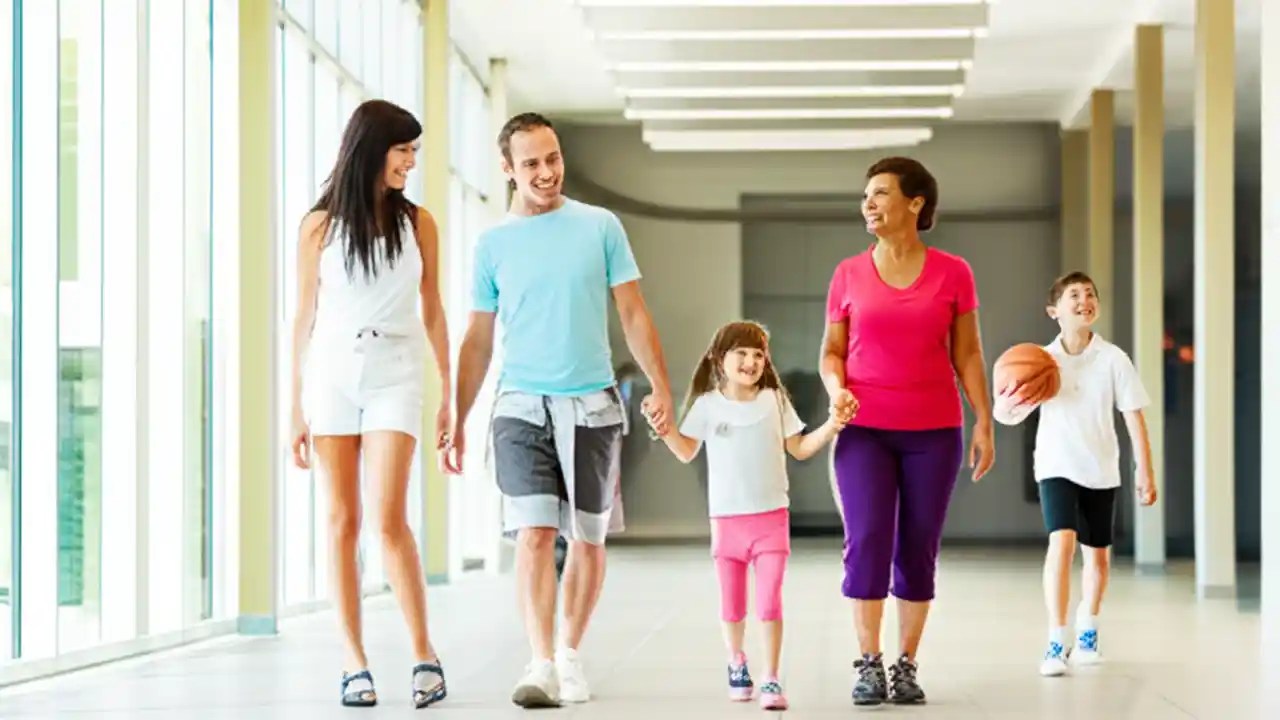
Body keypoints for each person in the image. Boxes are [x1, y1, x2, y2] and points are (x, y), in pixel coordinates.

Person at [443, 112, 673, 709]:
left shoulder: (600, 226)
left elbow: (633, 312)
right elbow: (477, 339)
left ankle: (569, 652)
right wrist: (458, 415)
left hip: (593, 405)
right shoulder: (492, 244)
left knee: (589, 538)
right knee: (535, 533)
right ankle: (541, 659)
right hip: (519, 405)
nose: (546, 173)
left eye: (552, 158)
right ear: (508, 170)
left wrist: (661, 386)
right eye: (531, 164)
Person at [288, 99, 451, 709]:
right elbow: (302, 317)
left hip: (396, 373)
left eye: (414, 151)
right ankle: (354, 662)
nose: (411, 161)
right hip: (330, 375)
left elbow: (433, 308)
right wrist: (293, 406)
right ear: (371, 150)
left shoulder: (418, 223)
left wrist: (448, 398)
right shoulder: (319, 227)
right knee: (340, 521)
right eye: (402, 150)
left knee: (387, 519)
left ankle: (422, 653)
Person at [819, 156, 995, 707]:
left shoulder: (953, 272)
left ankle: (906, 665)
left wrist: (985, 420)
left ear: (914, 203)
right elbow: (831, 351)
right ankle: (868, 662)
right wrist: (834, 389)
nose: (868, 204)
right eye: (865, 195)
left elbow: (967, 352)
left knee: (917, 548)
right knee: (868, 540)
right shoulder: (848, 273)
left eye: (880, 193)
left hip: (933, 431)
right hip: (864, 429)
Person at [647, 321, 847, 711]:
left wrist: (832, 427)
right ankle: (736, 662)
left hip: (771, 520)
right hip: (726, 524)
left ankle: (771, 678)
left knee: (770, 602)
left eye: (759, 355)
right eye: (742, 352)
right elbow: (687, 450)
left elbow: (800, 449)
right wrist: (664, 428)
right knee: (732, 605)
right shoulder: (707, 405)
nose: (751, 361)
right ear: (720, 359)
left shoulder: (774, 401)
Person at [993, 271, 1157, 677]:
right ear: (1055, 311)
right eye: (1074, 295)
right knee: (1061, 543)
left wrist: (1145, 471)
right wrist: (1008, 402)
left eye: (1090, 294)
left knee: (1097, 558)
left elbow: (1134, 417)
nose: (1084, 300)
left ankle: (1089, 625)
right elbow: (1007, 415)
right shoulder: (1041, 362)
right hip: (1055, 466)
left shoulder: (1114, 359)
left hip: (1101, 469)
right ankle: (1056, 637)